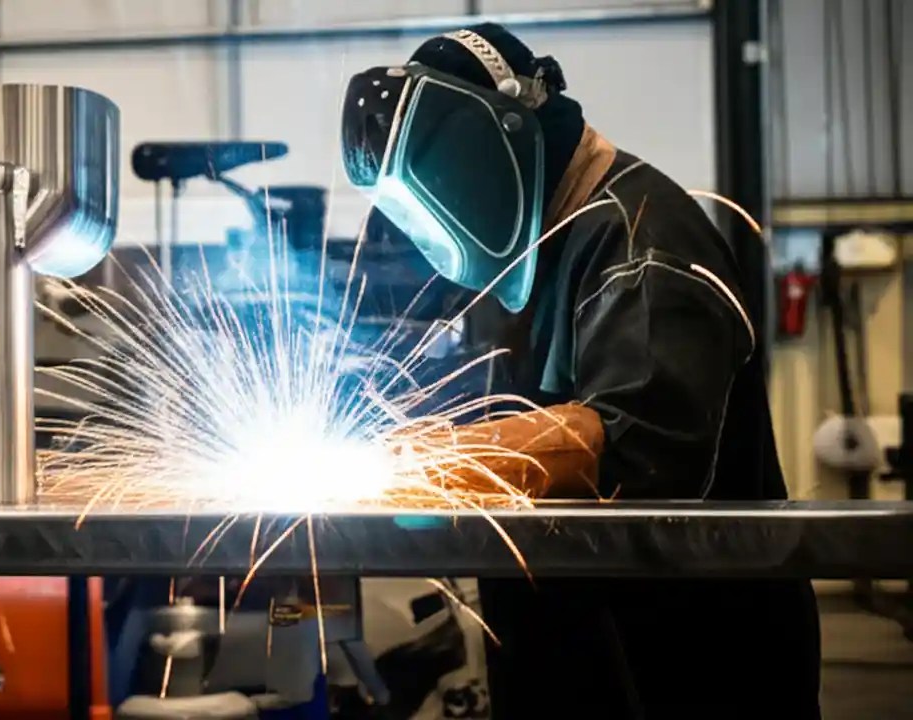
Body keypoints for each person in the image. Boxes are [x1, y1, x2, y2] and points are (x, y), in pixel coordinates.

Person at [340, 23, 821, 718]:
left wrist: (440, 463)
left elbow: (635, 441)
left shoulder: (643, 246)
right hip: (601, 656)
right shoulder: (554, 244)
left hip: (691, 670)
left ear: (484, 153)